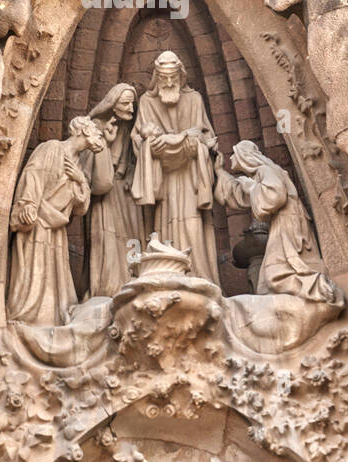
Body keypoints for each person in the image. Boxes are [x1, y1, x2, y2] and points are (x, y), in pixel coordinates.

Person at [131, 51, 219, 283]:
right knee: (163, 228)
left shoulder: (194, 99)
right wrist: (150, 144)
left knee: (193, 227)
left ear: (181, 76)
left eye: (173, 78)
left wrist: (197, 143)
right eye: (164, 79)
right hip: (163, 180)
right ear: (156, 79)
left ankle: (199, 276)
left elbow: (207, 137)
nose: (169, 83)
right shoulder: (147, 102)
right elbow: (137, 140)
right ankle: (167, 273)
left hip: (190, 176)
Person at [7, 115, 105, 323]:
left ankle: (49, 319)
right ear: (83, 131)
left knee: (52, 278)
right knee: (32, 275)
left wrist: (80, 180)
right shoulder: (51, 148)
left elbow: (80, 208)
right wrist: (29, 204)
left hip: (56, 229)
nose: (99, 136)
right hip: (37, 223)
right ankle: (25, 315)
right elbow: (33, 174)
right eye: (96, 131)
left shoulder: (79, 166)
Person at [215, 139, 336, 301]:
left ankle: (321, 290)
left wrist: (251, 188)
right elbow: (241, 194)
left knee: (276, 272)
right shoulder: (262, 173)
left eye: (234, 154)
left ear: (244, 156)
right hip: (283, 223)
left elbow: (274, 197)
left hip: (287, 223)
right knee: (269, 277)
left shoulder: (265, 170)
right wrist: (219, 172)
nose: (230, 158)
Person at [81, 83, 144, 297]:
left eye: (132, 104)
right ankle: (106, 285)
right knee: (105, 237)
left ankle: (132, 277)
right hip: (105, 194)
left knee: (132, 237)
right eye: (126, 104)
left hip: (126, 193)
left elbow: (133, 161)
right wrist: (105, 144)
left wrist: (131, 174)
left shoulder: (129, 129)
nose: (131, 109)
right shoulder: (95, 126)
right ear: (112, 103)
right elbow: (86, 162)